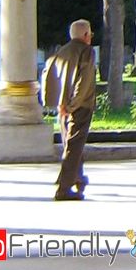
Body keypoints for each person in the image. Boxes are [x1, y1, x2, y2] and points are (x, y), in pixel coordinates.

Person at [41, 19, 96, 201]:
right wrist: (73, 105)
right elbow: (84, 82)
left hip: (63, 107)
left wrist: (58, 103)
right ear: (86, 35)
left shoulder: (61, 51)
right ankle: (64, 187)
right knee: (74, 145)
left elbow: (48, 76)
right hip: (80, 106)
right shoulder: (86, 51)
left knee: (71, 143)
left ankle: (78, 179)